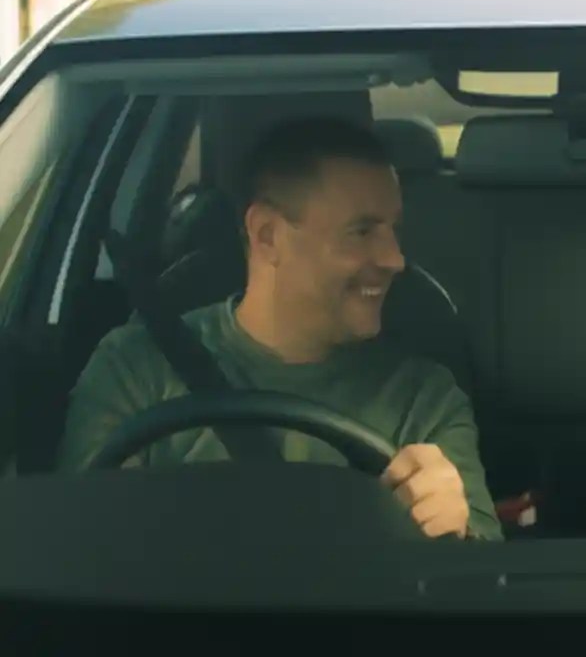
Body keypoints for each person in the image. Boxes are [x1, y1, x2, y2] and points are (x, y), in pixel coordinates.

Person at [57, 116, 502, 542]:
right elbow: (82, 558)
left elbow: (480, 590)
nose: (394, 259)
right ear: (267, 234)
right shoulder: (136, 369)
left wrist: (455, 529)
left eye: (392, 231)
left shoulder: (424, 399)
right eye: (361, 231)